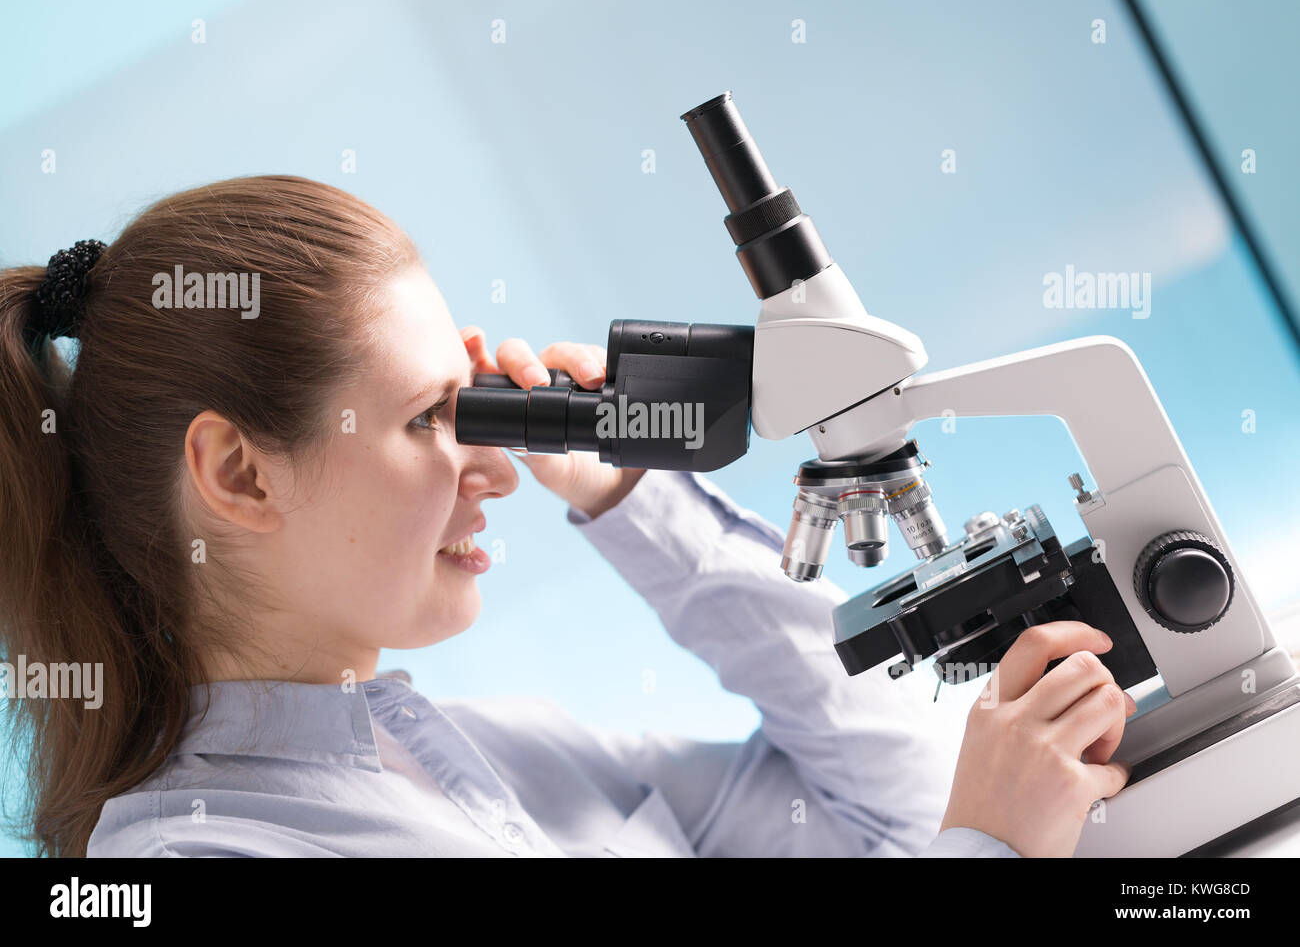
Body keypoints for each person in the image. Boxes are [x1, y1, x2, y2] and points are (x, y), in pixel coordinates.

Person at [0, 176, 1134, 858]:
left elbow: (886, 811)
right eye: (428, 419)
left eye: (479, 402)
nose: (492, 466)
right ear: (239, 476)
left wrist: (624, 493)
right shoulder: (197, 852)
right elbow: (952, 829)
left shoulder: (506, 755)